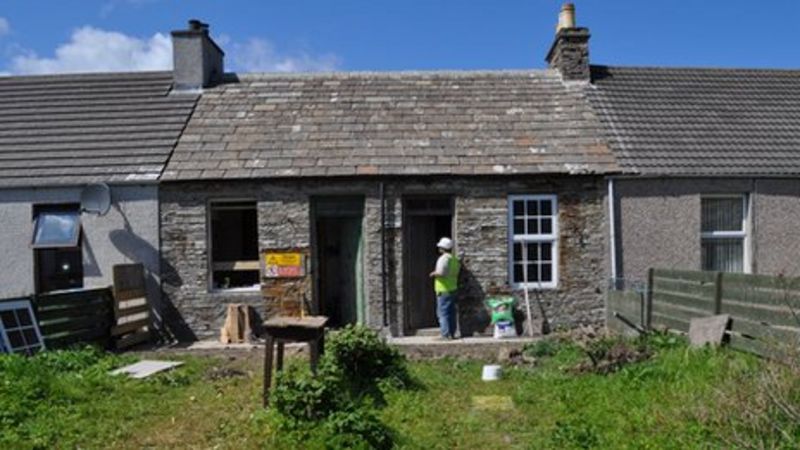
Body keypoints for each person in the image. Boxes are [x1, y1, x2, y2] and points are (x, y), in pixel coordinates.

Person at [429, 237, 460, 339]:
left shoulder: (443, 259)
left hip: (443, 289)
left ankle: (445, 334)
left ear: (442, 248)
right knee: (451, 312)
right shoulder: (454, 259)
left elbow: (441, 273)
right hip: (453, 288)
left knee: (443, 313)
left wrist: (433, 274)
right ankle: (452, 333)